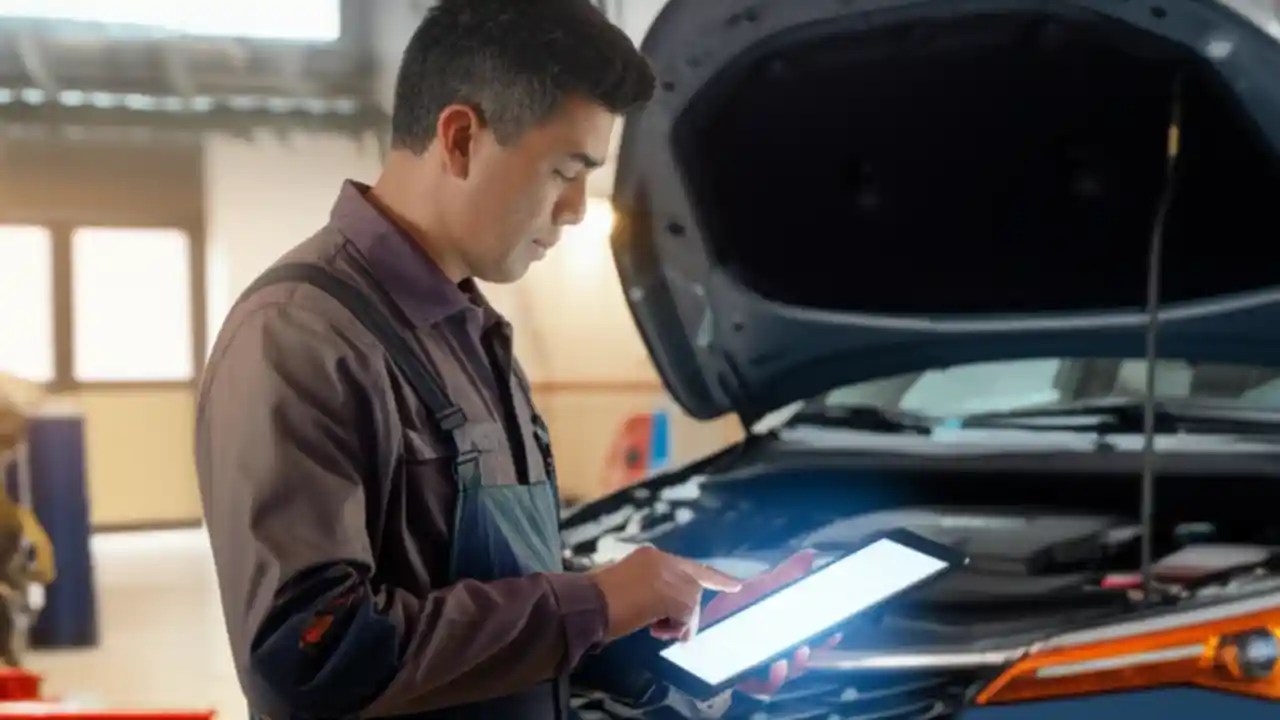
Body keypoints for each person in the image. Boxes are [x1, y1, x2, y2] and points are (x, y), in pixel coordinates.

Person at [196, 2, 826, 718]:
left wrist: (674, 635)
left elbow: (510, 595)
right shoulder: (301, 336)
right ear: (461, 138)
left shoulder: (471, 332)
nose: (577, 209)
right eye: (565, 170)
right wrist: (592, 602)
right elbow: (308, 654)